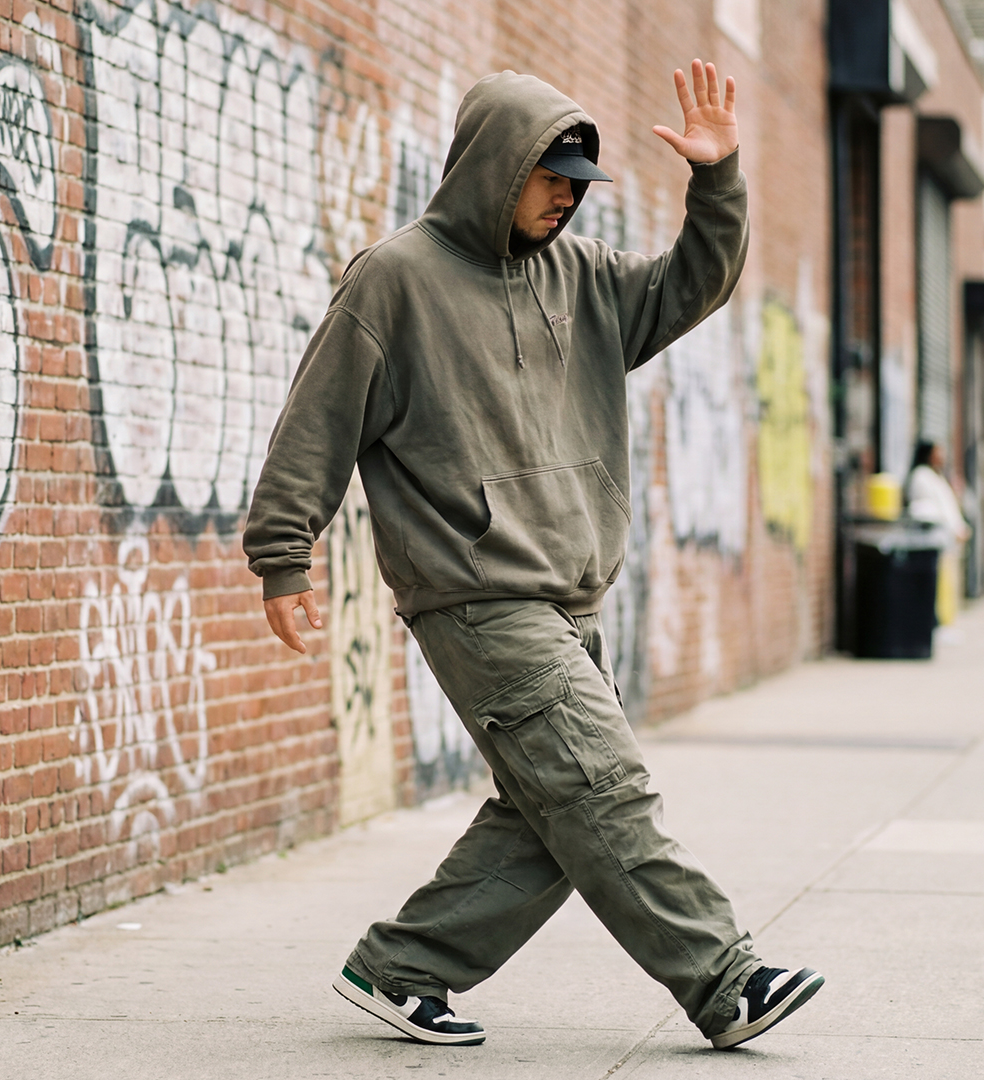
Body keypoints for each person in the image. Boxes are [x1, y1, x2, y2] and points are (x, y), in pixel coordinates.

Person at [242, 63, 822, 1051]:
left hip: (569, 597)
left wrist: (717, 178)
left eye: (577, 184)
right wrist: (282, 555)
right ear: (495, 167)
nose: (566, 198)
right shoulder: (397, 279)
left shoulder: (583, 277)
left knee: (556, 811)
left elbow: (697, 282)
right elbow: (319, 421)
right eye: (550, 177)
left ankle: (402, 968)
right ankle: (725, 982)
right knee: (601, 787)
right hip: (475, 594)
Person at [907, 440, 970, 631]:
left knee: (948, 584)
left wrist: (960, 527)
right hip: (936, 541)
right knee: (940, 586)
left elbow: (948, 507)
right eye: (938, 452)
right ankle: (938, 624)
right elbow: (929, 509)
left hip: (948, 540)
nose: (942, 457)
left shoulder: (937, 476)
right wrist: (953, 529)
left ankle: (946, 622)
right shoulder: (921, 476)